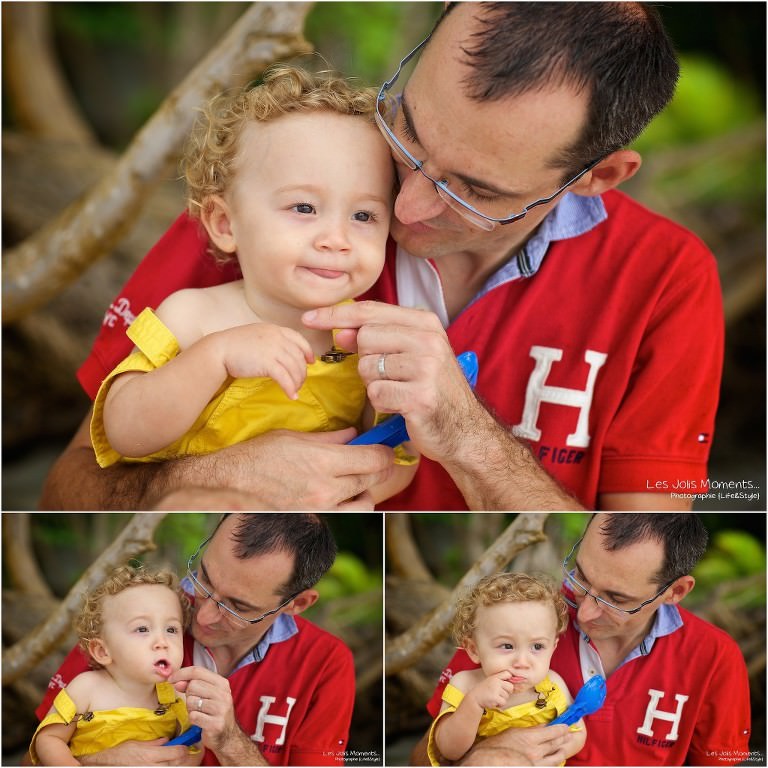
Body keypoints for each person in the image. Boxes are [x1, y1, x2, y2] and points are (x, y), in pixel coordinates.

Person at [40, 3, 724, 512]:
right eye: (409, 131)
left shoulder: (667, 281)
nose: (408, 208)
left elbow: (636, 564)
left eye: (477, 191)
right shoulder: (282, 194)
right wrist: (212, 478)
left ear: (596, 177)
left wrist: (467, 436)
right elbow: (67, 488)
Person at [88, 65, 416, 505]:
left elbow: (393, 455)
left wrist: (372, 479)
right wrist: (216, 356)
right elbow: (124, 431)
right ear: (225, 224)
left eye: (363, 216)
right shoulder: (192, 316)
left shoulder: (366, 342)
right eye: (303, 207)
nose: (335, 239)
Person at [410, 513, 751, 766]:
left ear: (675, 592)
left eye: (615, 599)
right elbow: (420, 761)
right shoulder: (515, 624)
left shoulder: (714, 657)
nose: (583, 613)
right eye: (581, 577)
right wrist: (487, 754)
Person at [34, 514, 356, 766]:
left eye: (238, 607)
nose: (200, 617)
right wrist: (94, 762)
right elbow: (32, 756)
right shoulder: (131, 620)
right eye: (203, 578)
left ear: (296, 604)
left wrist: (231, 742)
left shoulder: (325, 662)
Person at [29, 565, 197, 765]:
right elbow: (49, 739)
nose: (162, 642)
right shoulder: (85, 689)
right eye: (142, 628)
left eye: (171, 629)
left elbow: (194, 747)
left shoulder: (175, 696)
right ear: (103, 651)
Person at [427, 572, 585, 766]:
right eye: (507, 646)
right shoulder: (465, 684)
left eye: (537, 647)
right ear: (474, 649)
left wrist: (557, 753)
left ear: (552, 648)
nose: (522, 661)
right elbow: (448, 750)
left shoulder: (553, 685)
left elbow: (578, 732)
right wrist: (474, 703)